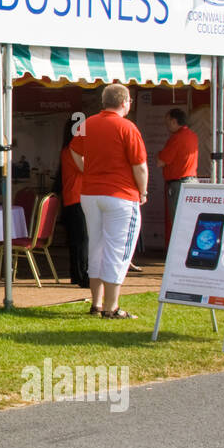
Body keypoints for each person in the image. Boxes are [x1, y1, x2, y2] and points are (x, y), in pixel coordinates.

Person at [70, 84, 147, 319]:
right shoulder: (127, 127)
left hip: (90, 193)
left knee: (97, 247)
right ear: (125, 102)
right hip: (121, 195)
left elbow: (73, 151)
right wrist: (142, 192)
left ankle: (96, 303)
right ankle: (112, 307)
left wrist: (87, 171)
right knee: (119, 249)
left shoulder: (87, 124)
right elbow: (140, 166)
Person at [157, 107, 199, 245]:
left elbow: (161, 162)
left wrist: (159, 154)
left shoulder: (176, 138)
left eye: (168, 122)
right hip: (192, 181)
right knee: (190, 220)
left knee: (178, 221)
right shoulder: (192, 135)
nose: (166, 126)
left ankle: (180, 253)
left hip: (178, 184)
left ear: (174, 121)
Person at [55, 119, 89, 288]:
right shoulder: (72, 151)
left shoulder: (66, 150)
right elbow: (86, 168)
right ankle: (82, 275)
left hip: (73, 198)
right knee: (82, 240)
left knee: (77, 240)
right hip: (77, 198)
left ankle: (77, 274)